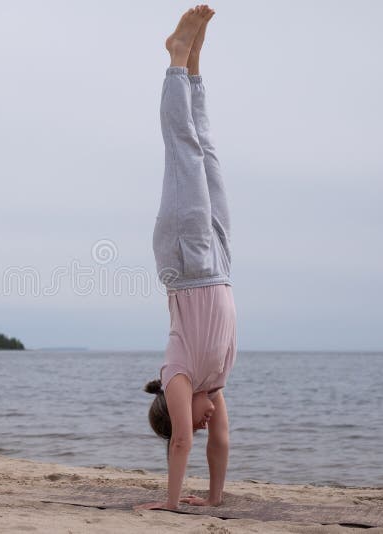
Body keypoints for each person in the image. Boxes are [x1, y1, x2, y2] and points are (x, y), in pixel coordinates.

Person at [134, 4, 238, 511]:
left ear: (171, 409)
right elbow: (218, 444)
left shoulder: (179, 376)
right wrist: (214, 500)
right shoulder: (214, 383)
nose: (203, 420)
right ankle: (194, 65)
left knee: (184, 152)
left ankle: (174, 58)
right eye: (200, 418)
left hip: (184, 257)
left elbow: (183, 443)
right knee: (208, 151)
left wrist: (171, 505)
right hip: (218, 263)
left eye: (190, 419)